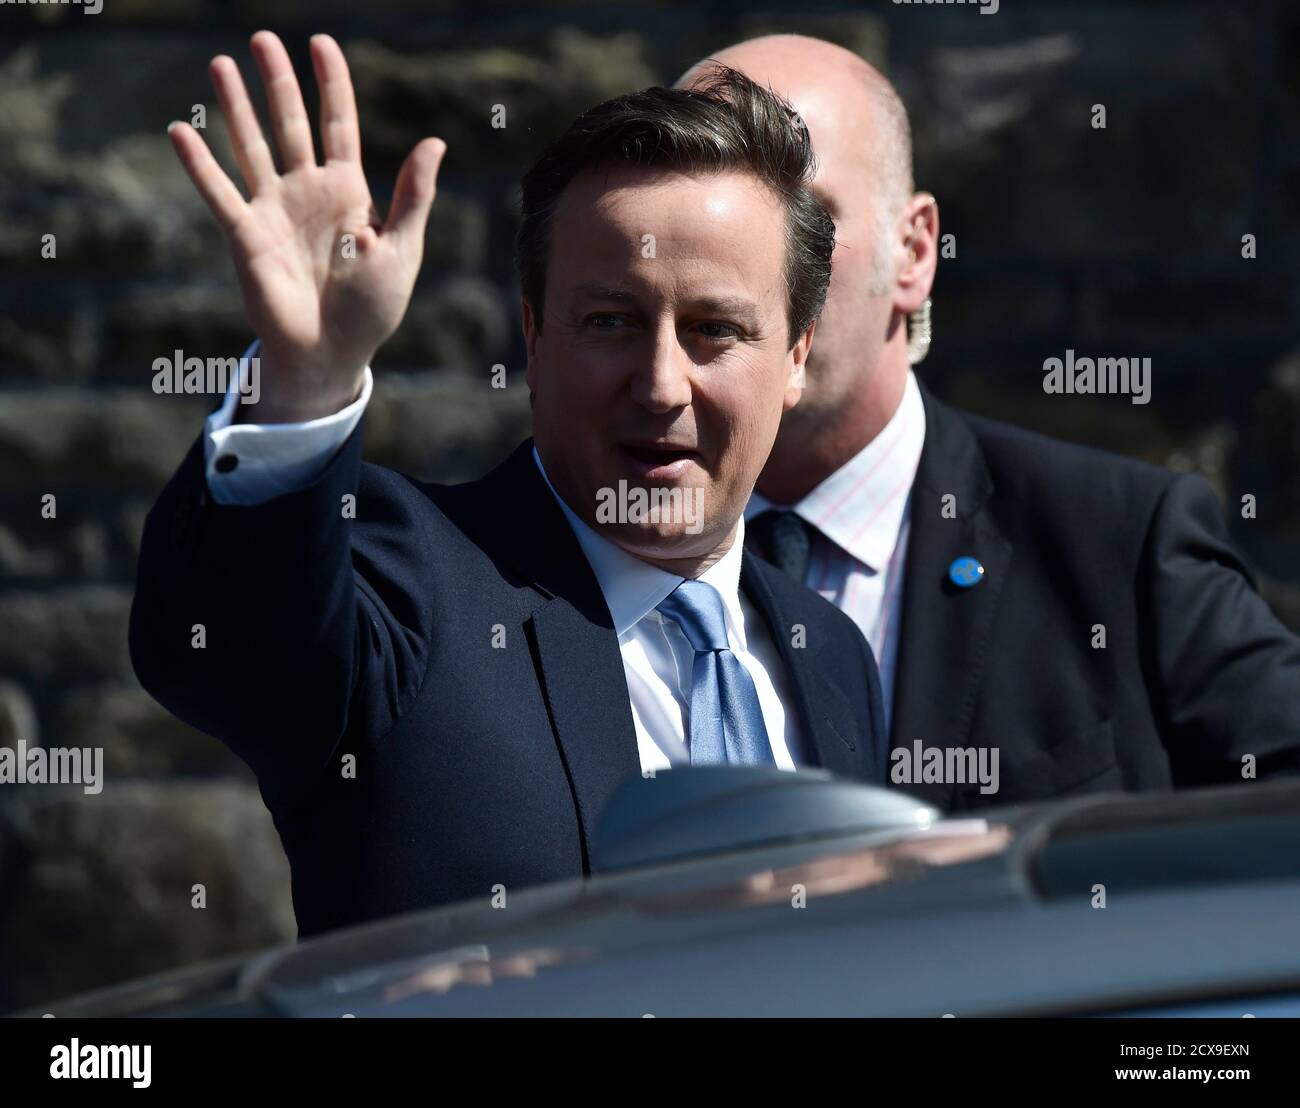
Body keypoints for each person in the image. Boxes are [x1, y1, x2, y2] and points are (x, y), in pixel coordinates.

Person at [130, 32, 886, 937]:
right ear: (533, 339)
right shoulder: (412, 586)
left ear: (795, 357)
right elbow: (226, 653)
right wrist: (302, 386)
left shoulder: (831, 655)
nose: (659, 384)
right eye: (610, 321)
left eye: (714, 329)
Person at [679, 35, 1300, 810]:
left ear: (913, 251)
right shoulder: (572, 556)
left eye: (806, 220)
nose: (749, 275)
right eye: (711, 229)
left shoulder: (1118, 549)